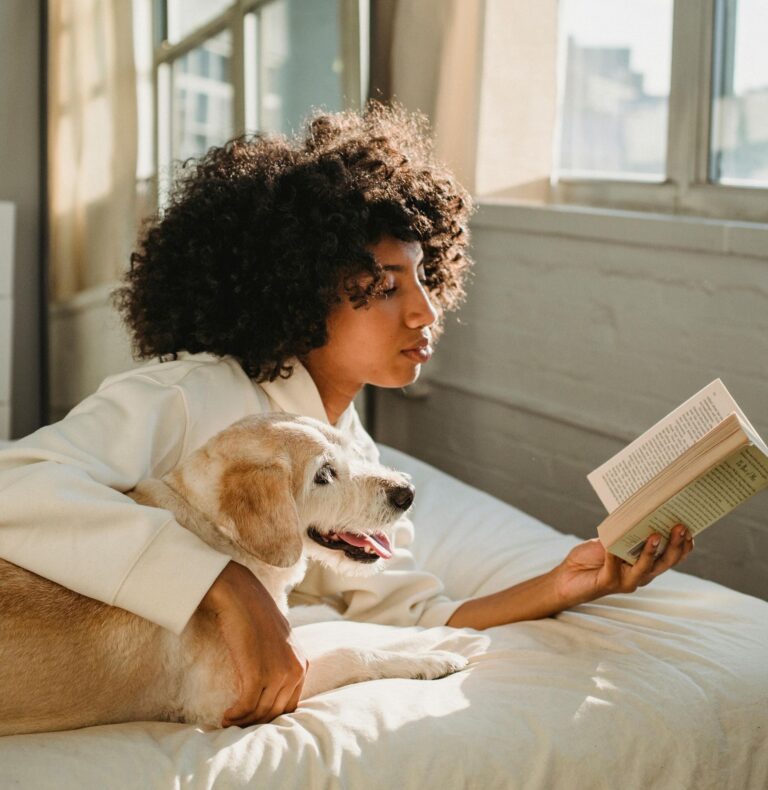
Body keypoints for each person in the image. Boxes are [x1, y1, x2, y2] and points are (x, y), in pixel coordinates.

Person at [0, 102, 694, 729]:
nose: (425, 310)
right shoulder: (187, 396)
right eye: (386, 287)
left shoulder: (347, 448)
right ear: (298, 296)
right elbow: (16, 486)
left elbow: (407, 612)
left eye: (423, 276)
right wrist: (223, 584)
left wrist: (564, 585)